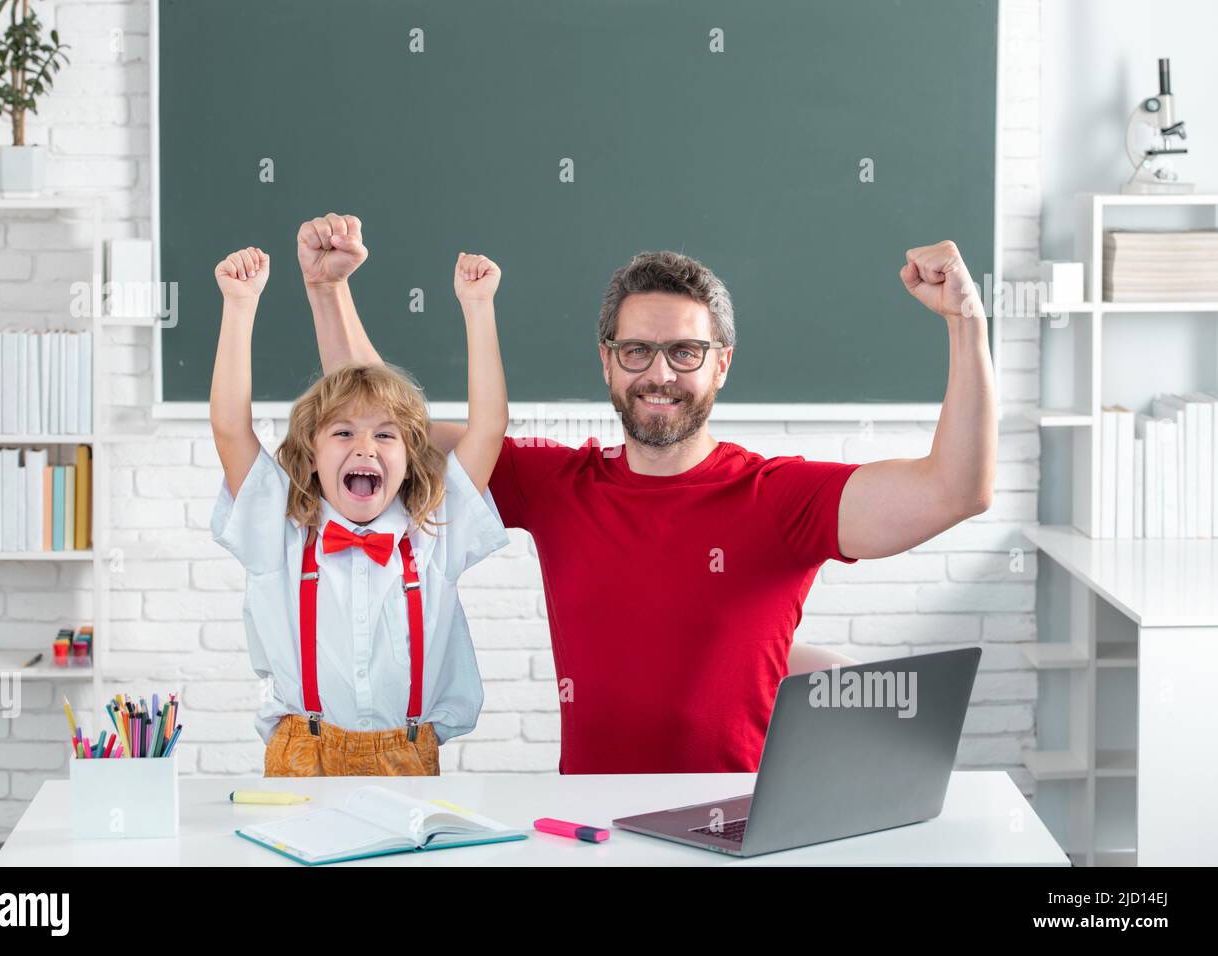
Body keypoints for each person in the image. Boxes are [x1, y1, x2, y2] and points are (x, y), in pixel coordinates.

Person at [305, 212, 997, 774]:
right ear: (607, 361)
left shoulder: (781, 497)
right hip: (590, 835)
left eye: (685, 353)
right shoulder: (555, 484)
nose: (658, 374)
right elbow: (381, 428)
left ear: (721, 364)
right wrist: (328, 292)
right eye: (636, 351)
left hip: (736, 835)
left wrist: (966, 321)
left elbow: (955, 491)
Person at [208, 234, 510, 775]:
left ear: (412, 455)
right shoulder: (277, 530)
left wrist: (478, 308)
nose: (365, 447)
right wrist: (239, 306)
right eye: (343, 432)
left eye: (386, 436)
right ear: (311, 453)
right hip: (303, 753)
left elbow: (488, 430)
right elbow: (231, 429)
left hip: (407, 754)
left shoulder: (436, 533)